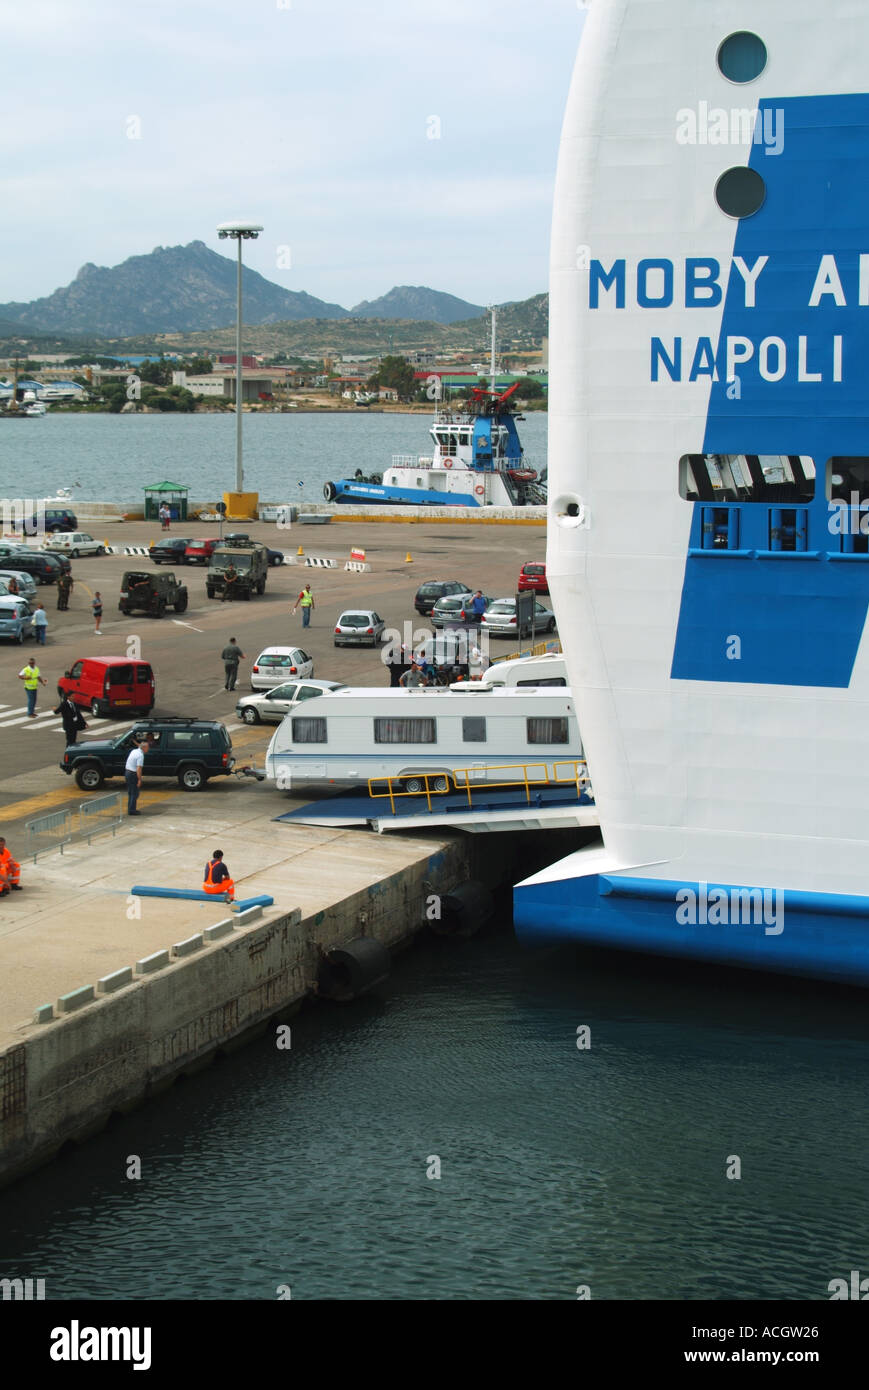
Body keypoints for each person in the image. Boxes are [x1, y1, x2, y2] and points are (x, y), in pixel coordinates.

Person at [124, 737, 149, 816]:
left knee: (131, 792)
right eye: (147, 747)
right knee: (135, 793)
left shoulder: (134, 751)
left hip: (127, 772)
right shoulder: (140, 755)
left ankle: (130, 808)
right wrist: (139, 779)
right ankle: (132, 810)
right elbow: (139, 768)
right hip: (133, 774)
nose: (148, 749)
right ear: (144, 748)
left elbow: (139, 745)